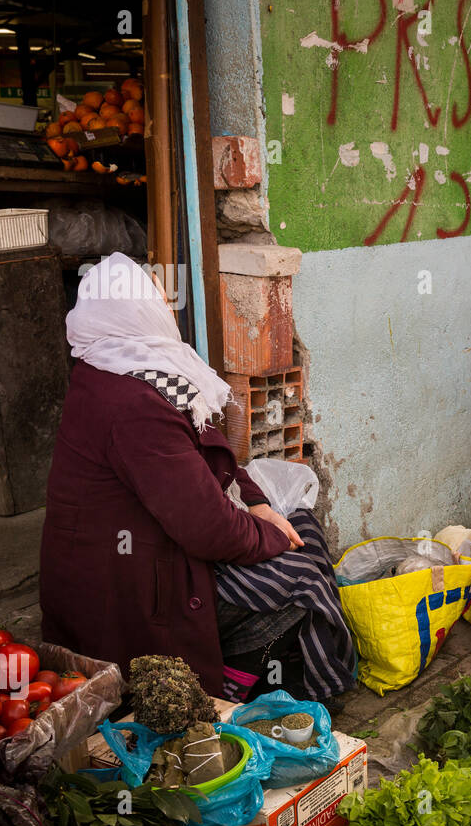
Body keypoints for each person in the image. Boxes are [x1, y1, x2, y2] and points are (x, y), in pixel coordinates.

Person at [40, 254, 357, 702]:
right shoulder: (129, 401)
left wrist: (261, 506)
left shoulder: (129, 366)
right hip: (135, 581)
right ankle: (258, 682)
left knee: (303, 524)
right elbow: (206, 529)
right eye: (157, 300)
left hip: (158, 548)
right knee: (299, 576)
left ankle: (279, 666)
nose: (166, 309)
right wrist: (271, 537)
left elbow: (209, 446)